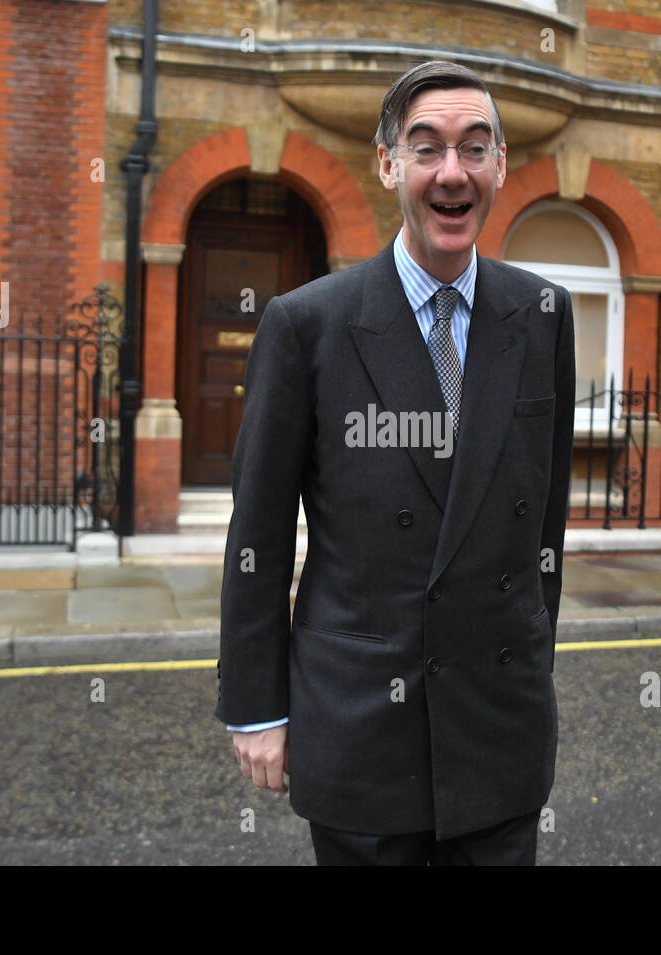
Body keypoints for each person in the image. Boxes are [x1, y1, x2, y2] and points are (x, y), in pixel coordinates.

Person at [216, 59, 575, 865]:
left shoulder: (544, 315)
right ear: (388, 166)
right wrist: (256, 708)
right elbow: (258, 534)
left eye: (474, 148)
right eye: (427, 148)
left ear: (500, 166)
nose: (453, 171)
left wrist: (529, 670)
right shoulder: (307, 324)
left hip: (499, 735)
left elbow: (542, 531)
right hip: (362, 742)